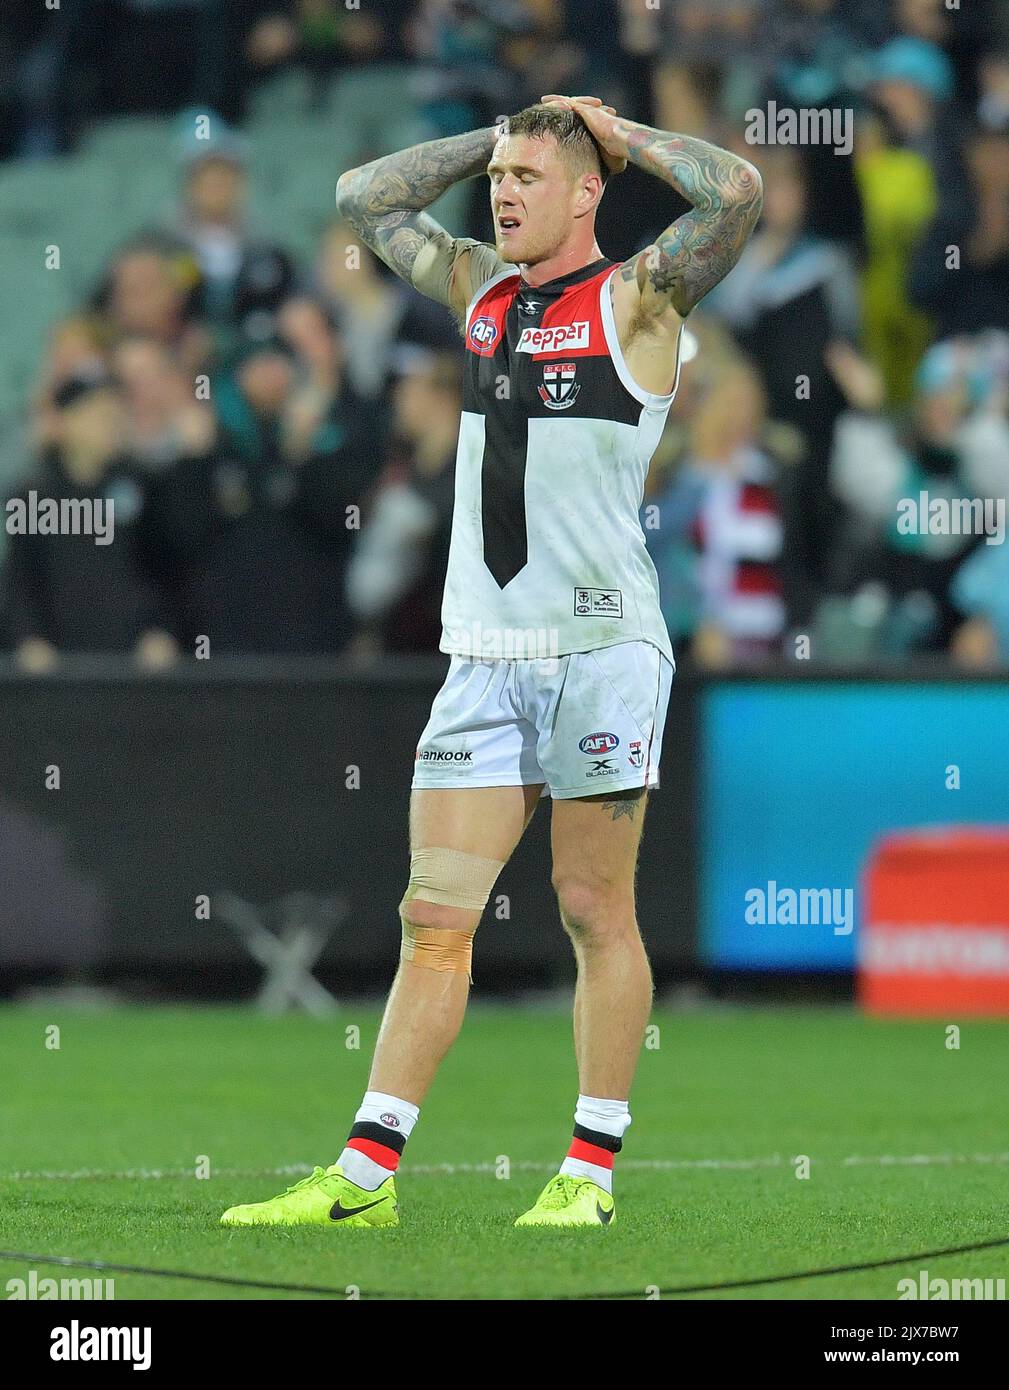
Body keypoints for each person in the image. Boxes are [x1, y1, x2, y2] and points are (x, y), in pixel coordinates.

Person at [220, 97, 762, 1229]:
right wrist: (492, 136)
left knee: (589, 908)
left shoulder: (637, 298)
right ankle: (366, 1178)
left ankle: (587, 1173)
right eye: (498, 178)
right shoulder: (480, 294)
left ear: (587, 194)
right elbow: (363, 198)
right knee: (435, 916)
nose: (503, 192)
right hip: (482, 655)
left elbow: (737, 195)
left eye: (527, 176)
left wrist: (618, 132)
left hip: (601, 651)